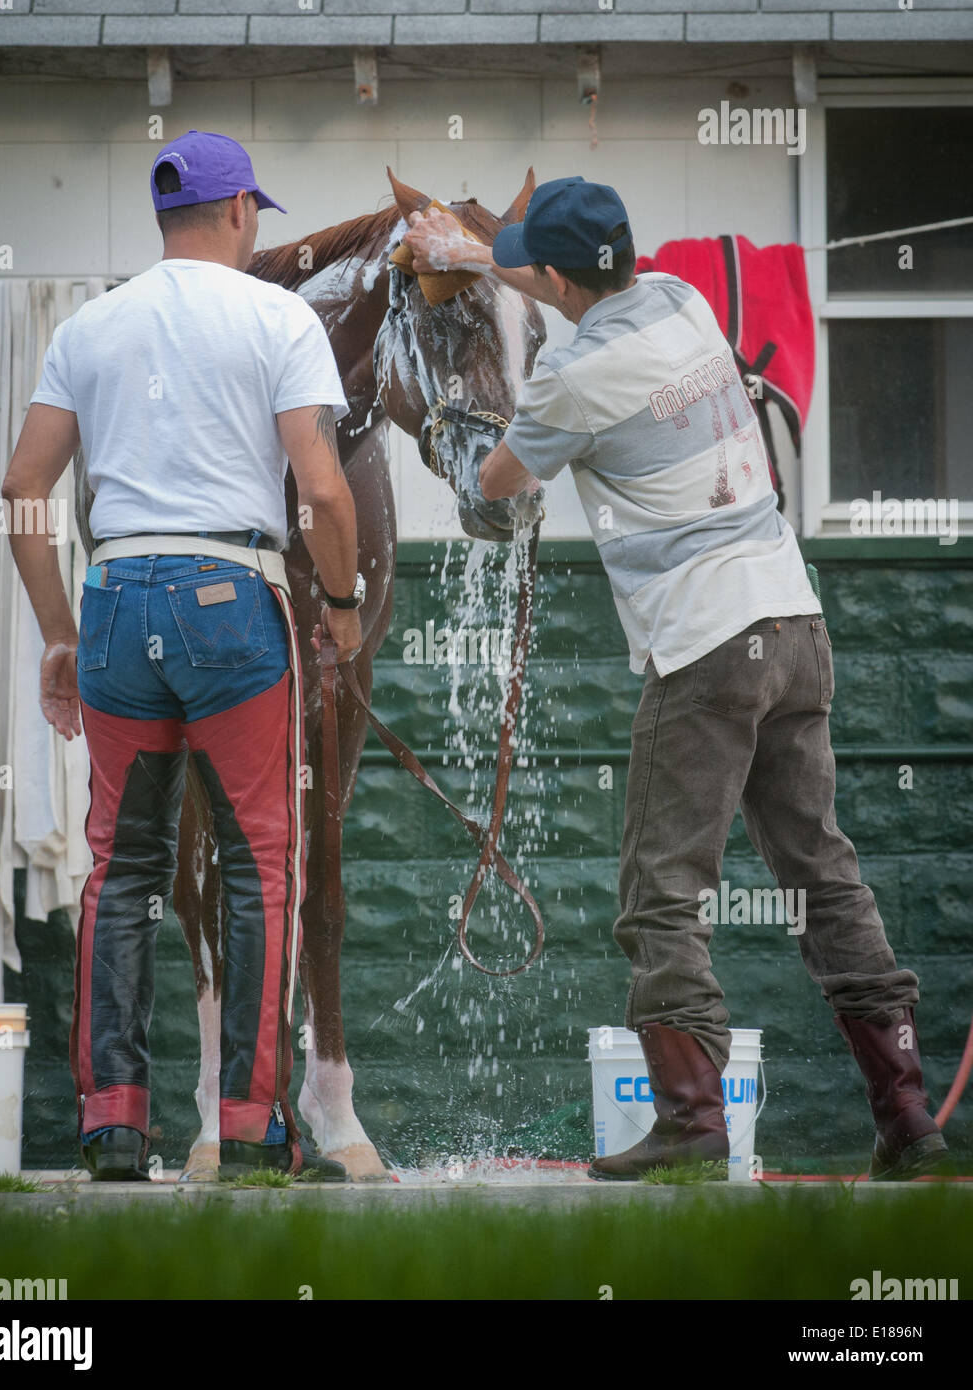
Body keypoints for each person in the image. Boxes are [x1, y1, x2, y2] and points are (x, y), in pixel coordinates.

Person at [403, 178, 950, 1183]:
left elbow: (494, 492)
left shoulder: (572, 377)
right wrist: (480, 251)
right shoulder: (680, 301)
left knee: (663, 893)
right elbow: (555, 275)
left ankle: (692, 1124)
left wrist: (445, 428)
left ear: (562, 277)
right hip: (793, 619)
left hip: (703, 646)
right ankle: (909, 1116)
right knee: (822, 872)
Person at [2, 130, 366, 1182]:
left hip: (114, 599)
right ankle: (251, 1125)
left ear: (169, 219)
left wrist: (58, 633)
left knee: (121, 867)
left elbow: (24, 488)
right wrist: (340, 606)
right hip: (227, 598)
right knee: (259, 865)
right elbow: (326, 491)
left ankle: (114, 1123)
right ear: (243, 212)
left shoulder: (91, 323)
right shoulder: (278, 317)